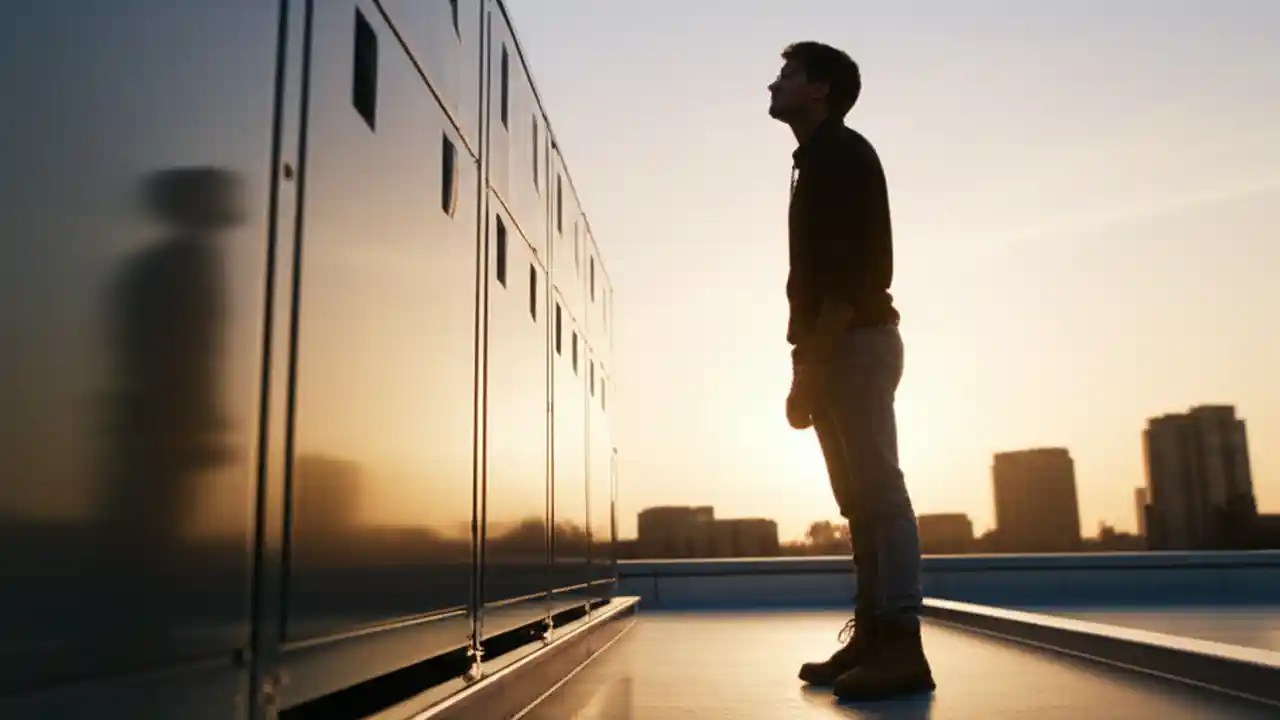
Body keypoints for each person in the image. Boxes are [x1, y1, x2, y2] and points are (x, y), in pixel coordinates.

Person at [767, 41, 934, 701]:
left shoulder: (841, 154)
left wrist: (811, 363)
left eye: (787, 75)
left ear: (820, 89)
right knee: (857, 501)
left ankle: (902, 645)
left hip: (855, 343)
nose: (774, 84)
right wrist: (802, 360)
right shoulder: (814, 160)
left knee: (880, 494)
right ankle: (871, 636)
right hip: (833, 345)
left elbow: (852, 273)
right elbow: (811, 281)